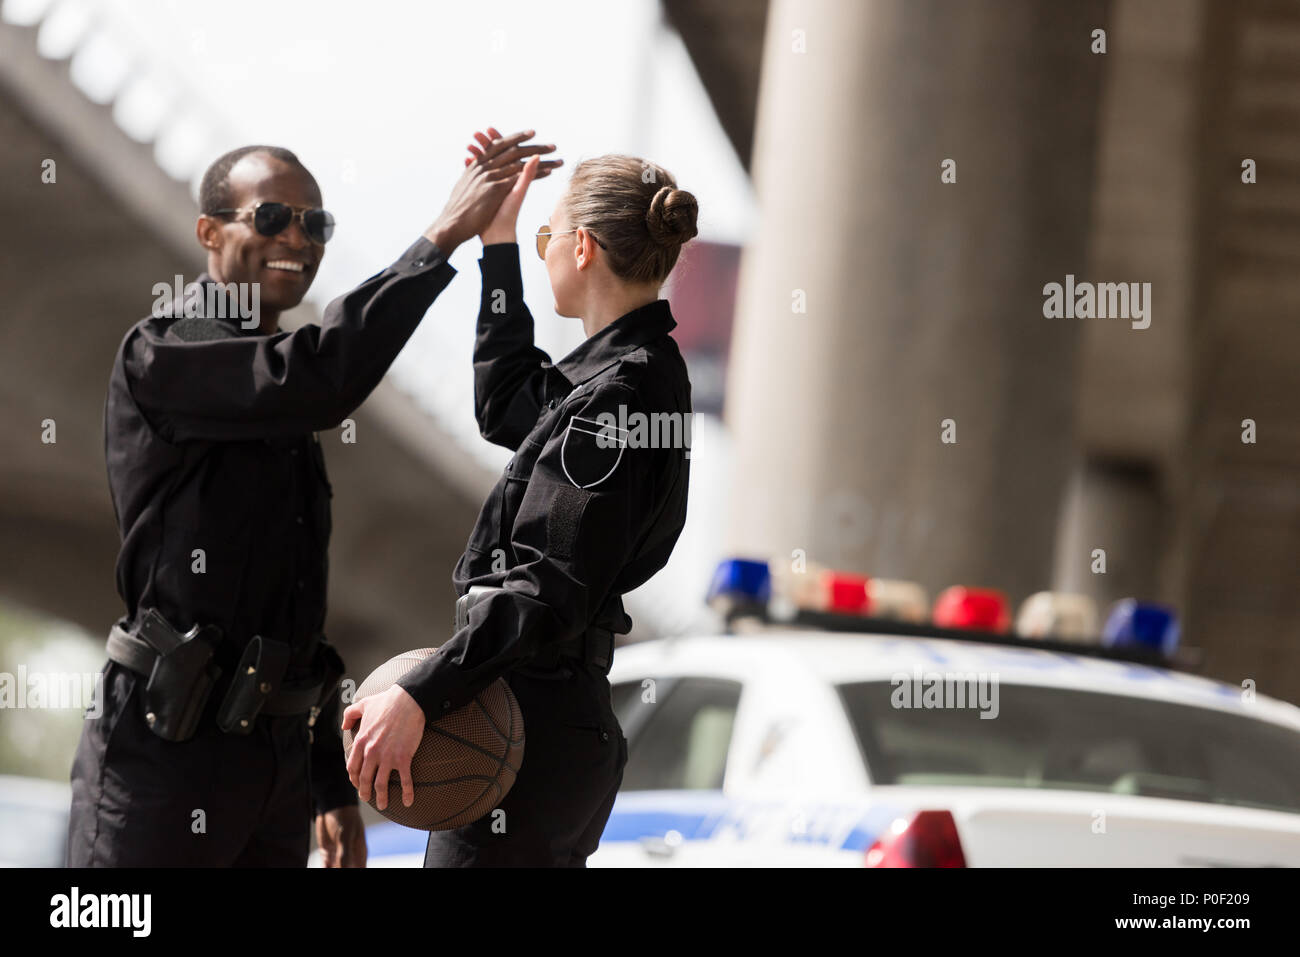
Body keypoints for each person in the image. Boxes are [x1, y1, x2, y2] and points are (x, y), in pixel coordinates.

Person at [67, 130, 561, 867]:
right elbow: (323, 374)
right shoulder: (170, 346)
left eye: (315, 223)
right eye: (272, 218)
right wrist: (442, 237)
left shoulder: (278, 400)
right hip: (163, 757)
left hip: (275, 771)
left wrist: (327, 784)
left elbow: (294, 618)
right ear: (210, 231)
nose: (297, 237)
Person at [343, 129, 698, 867]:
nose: (541, 252)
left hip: (528, 733)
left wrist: (423, 693)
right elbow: (506, 397)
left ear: (581, 248)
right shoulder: (626, 380)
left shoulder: (621, 397)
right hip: (547, 731)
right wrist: (500, 243)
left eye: (545, 236)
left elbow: (547, 584)